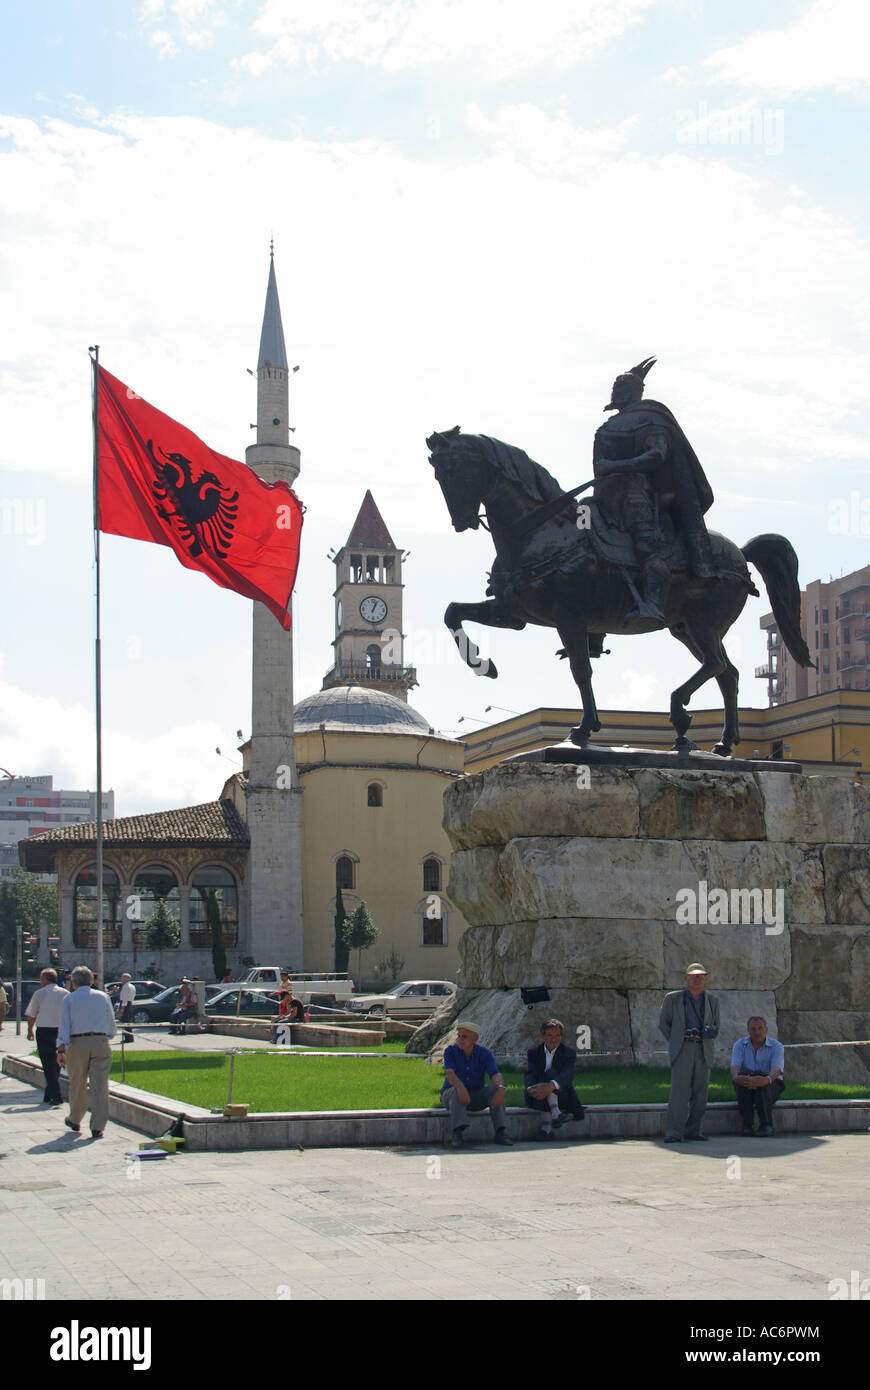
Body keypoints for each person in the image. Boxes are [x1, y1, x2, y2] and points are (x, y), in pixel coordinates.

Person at [593, 356, 715, 624]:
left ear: (633, 391)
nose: (616, 390)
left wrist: (620, 466)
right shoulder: (607, 427)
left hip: (639, 495)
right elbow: (599, 465)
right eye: (615, 385)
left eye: (622, 386)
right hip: (603, 497)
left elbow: (657, 456)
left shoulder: (651, 419)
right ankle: (592, 621)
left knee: (647, 547)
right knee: (579, 528)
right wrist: (610, 469)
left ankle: (652, 604)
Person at [658, 962, 720, 1142]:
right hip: (684, 1046)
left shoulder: (712, 1001)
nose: (697, 979)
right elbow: (664, 1023)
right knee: (679, 1092)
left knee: (701, 1093)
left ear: (706, 979)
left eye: (701, 976)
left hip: (703, 1046)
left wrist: (710, 1031)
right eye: (694, 976)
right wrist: (677, 1039)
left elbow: (717, 1025)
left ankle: (694, 1130)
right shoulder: (673, 999)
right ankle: (674, 1132)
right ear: (686, 978)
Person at [56, 964, 116, 1139]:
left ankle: (75, 1118)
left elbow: (64, 1025)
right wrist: (108, 1036)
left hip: (77, 1042)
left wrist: (61, 1048)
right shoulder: (103, 997)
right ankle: (98, 1126)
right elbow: (111, 1021)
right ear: (91, 981)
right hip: (100, 1041)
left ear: (73, 982)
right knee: (100, 1085)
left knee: (77, 1083)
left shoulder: (70, 999)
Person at [441, 1020, 512, 1147]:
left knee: (496, 1091)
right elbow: (450, 1073)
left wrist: (501, 1089)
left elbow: (495, 1074)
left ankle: (500, 1132)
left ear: (475, 1038)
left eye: (465, 1037)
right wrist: (460, 1087)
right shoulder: (450, 1051)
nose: (460, 1040)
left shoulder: (485, 1054)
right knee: (455, 1092)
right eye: (459, 1036)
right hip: (453, 1095)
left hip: (475, 1094)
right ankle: (457, 1133)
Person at [524, 1018, 585, 1141]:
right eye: (550, 1035)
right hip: (538, 1093)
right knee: (543, 1083)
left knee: (550, 1074)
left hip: (562, 1093)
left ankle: (546, 1129)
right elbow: (530, 1073)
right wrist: (530, 1088)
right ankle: (556, 1114)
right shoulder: (534, 1052)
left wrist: (551, 1086)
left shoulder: (569, 1053)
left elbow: (567, 1075)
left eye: (557, 1035)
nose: (554, 1039)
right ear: (542, 1036)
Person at [731, 1016, 785, 1136]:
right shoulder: (739, 1045)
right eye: (753, 1029)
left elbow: (776, 1070)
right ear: (748, 1030)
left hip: (771, 1081)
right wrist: (736, 1077)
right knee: (743, 1081)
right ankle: (747, 1126)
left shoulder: (777, 1046)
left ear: (766, 1029)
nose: (757, 1032)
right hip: (748, 1080)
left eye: (760, 1028)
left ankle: (766, 1126)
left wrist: (765, 1080)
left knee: (762, 1087)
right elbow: (735, 1067)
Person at [25, 968, 69, 1106]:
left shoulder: (39, 994)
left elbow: (32, 1014)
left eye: (41, 978)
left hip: (44, 1031)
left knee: (47, 1063)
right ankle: (49, 1093)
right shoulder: (65, 994)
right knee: (57, 1062)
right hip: (61, 1031)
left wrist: (30, 1030)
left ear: (45, 979)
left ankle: (56, 1096)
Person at [117, 972, 135, 1044]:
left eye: (121, 978)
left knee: (125, 1021)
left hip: (125, 1004)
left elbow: (124, 999)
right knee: (128, 1021)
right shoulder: (132, 986)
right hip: (130, 1003)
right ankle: (130, 1037)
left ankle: (128, 1038)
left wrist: (122, 1010)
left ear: (124, 979)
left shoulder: (125, 987)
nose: (121, 979)